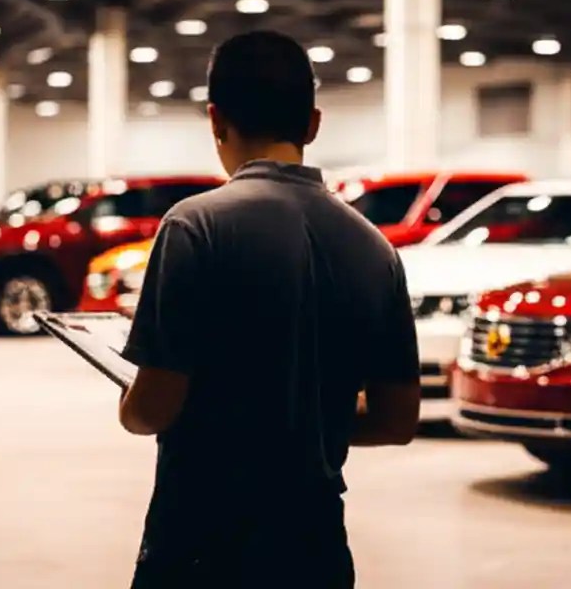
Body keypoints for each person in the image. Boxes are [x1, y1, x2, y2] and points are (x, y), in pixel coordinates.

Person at [118, 30, 421, 588]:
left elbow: (153, 409)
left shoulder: (195, 225)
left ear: (215, 120)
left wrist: (127, 400)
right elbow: (397, 419)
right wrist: (305, 419)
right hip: (316, 544)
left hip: (201, 537)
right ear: (312, 124)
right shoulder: (375, 247)